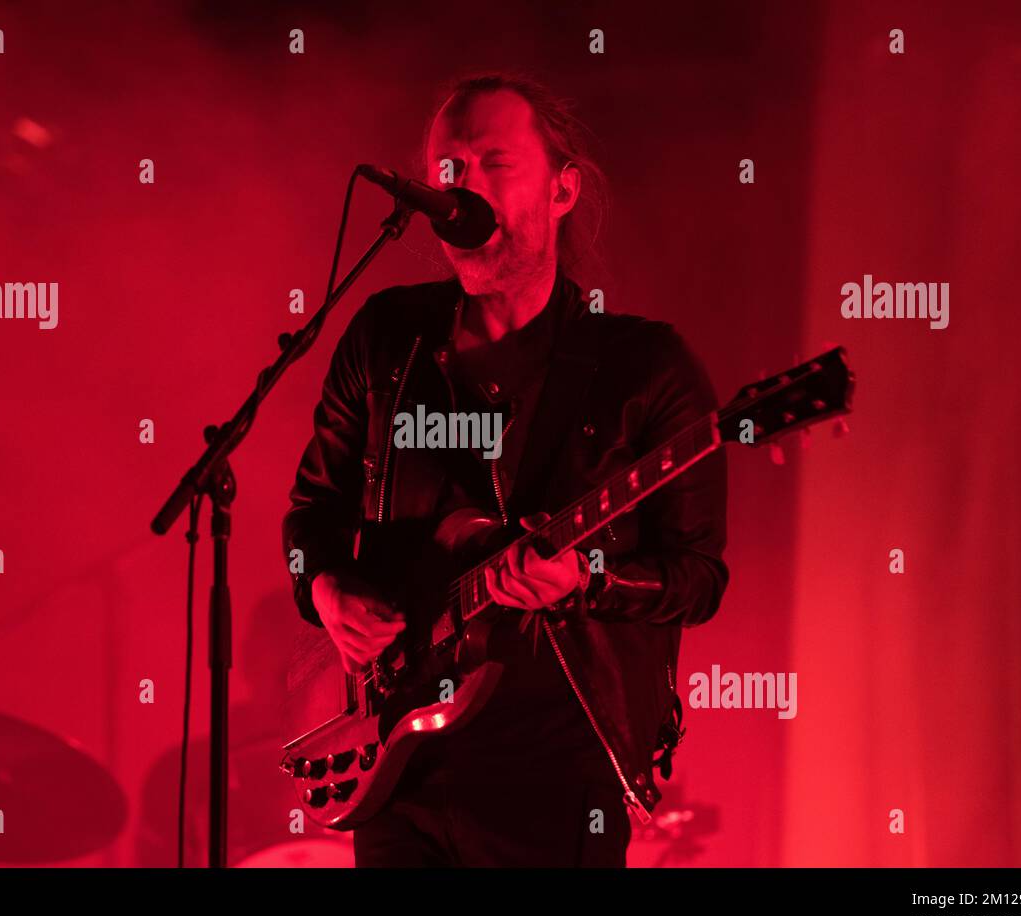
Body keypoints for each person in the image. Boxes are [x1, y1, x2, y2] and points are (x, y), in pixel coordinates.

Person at [283, 73, 728, 867]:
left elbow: (698, 578)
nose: (464, 187)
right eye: (447, 169)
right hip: (399, 772)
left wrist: (585, 580)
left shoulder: (644, 367)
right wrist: (324, 588)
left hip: (558, 776)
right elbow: (310, 513)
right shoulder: (389, 339)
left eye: (493, 161)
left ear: (564, 190)